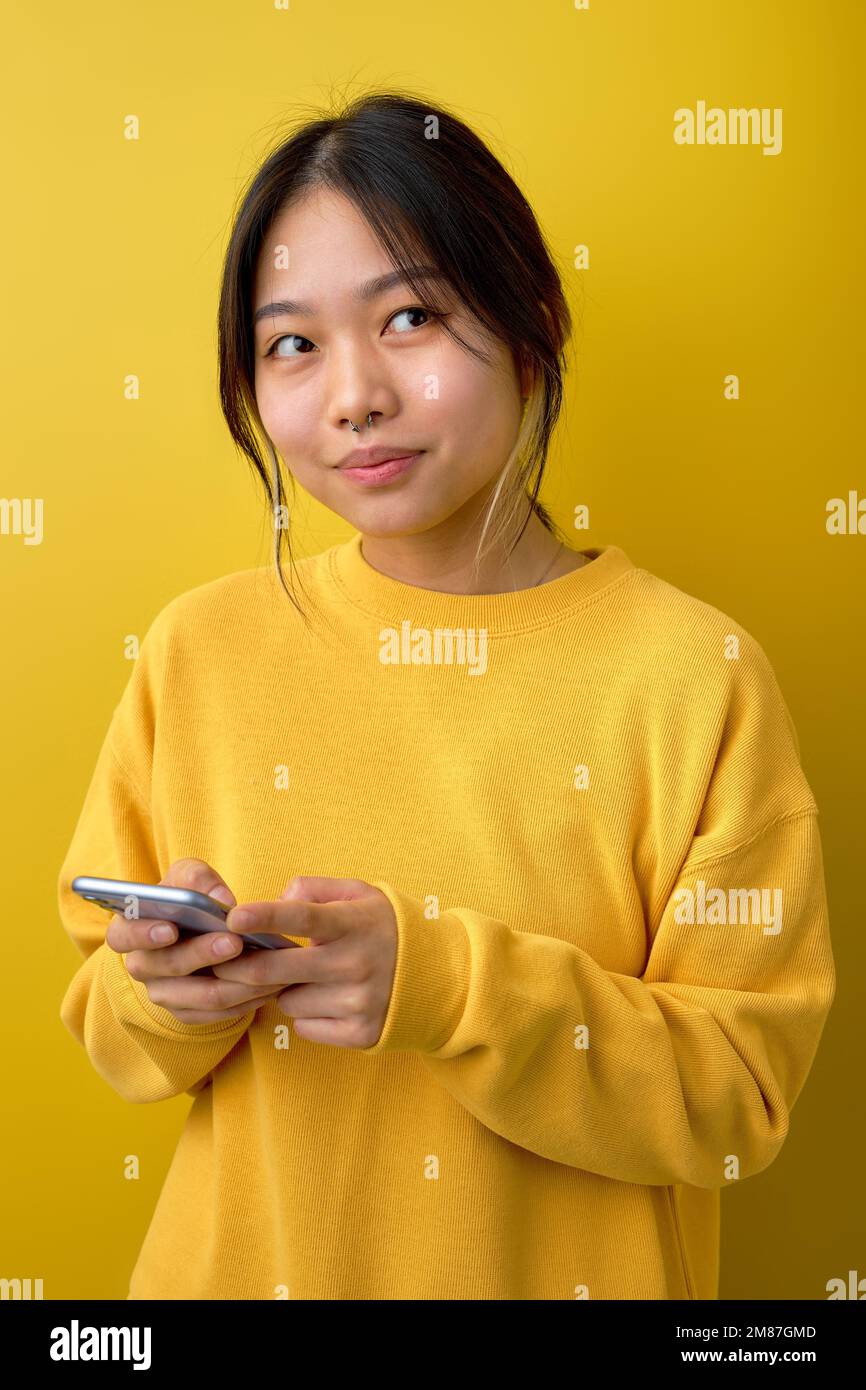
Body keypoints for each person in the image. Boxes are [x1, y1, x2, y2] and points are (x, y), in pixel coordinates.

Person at [57, 90, 835, 1301]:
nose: (352, 393)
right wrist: (170, 995)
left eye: (410, 315)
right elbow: (113, 1037)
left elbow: (736, 1100)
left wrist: (444, 988)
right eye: (291, 345)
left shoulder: (694, 677)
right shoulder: (195, 647)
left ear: (532, 323)